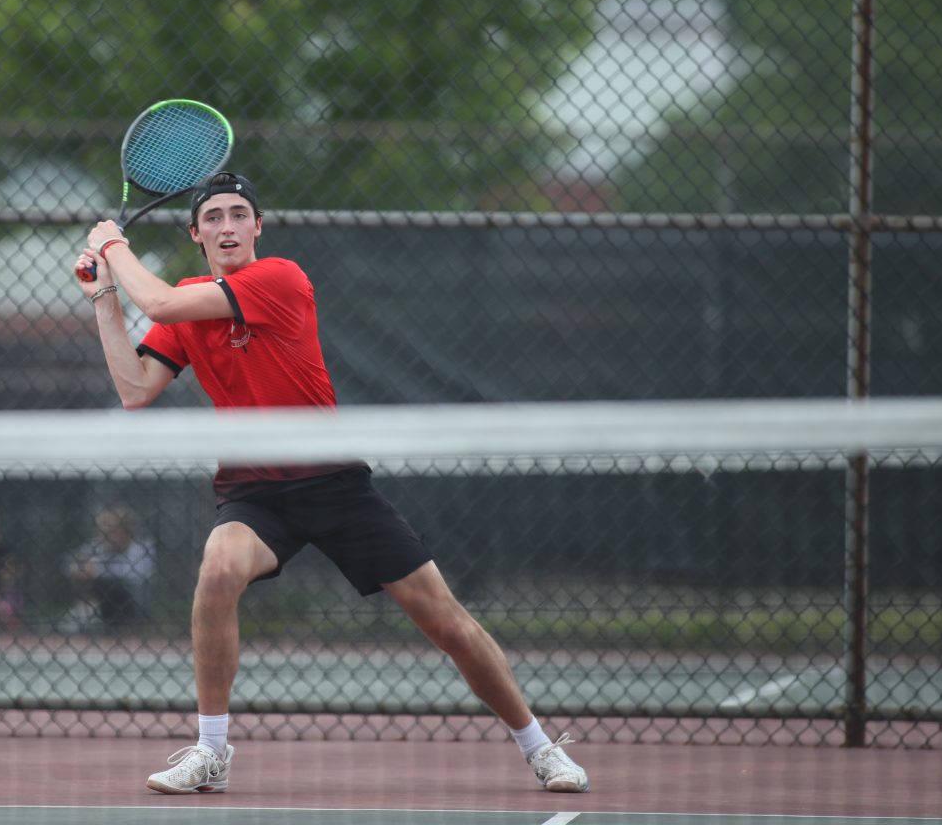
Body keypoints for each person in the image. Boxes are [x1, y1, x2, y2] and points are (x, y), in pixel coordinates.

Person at [74, 171, 589, 796]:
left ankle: (539, 747)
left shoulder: (280, 279)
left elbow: (156, 304)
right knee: (217, 571)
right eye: (213, 218)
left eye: (239, 214)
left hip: (332, 482)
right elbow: (135, 389)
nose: (228, 226)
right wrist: (104, 296)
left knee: (447, 624)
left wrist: (112, 244)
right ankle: (210, 751)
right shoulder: (187, 301)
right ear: (195, 234)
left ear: (258, 227)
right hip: (254, 491)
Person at [59, 502, 156, 633]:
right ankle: (87, 614)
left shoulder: (140, 548)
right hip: (100, 597)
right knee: (89, 580)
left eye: (110, 530)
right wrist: (80, 567)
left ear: (125, 531)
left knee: (104, 584)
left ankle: (88, 617)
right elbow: (70, 563)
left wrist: (97, 571)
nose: (102, 535)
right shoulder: (98, 546)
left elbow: (134, 578)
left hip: (130, 601)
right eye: (100, 530)